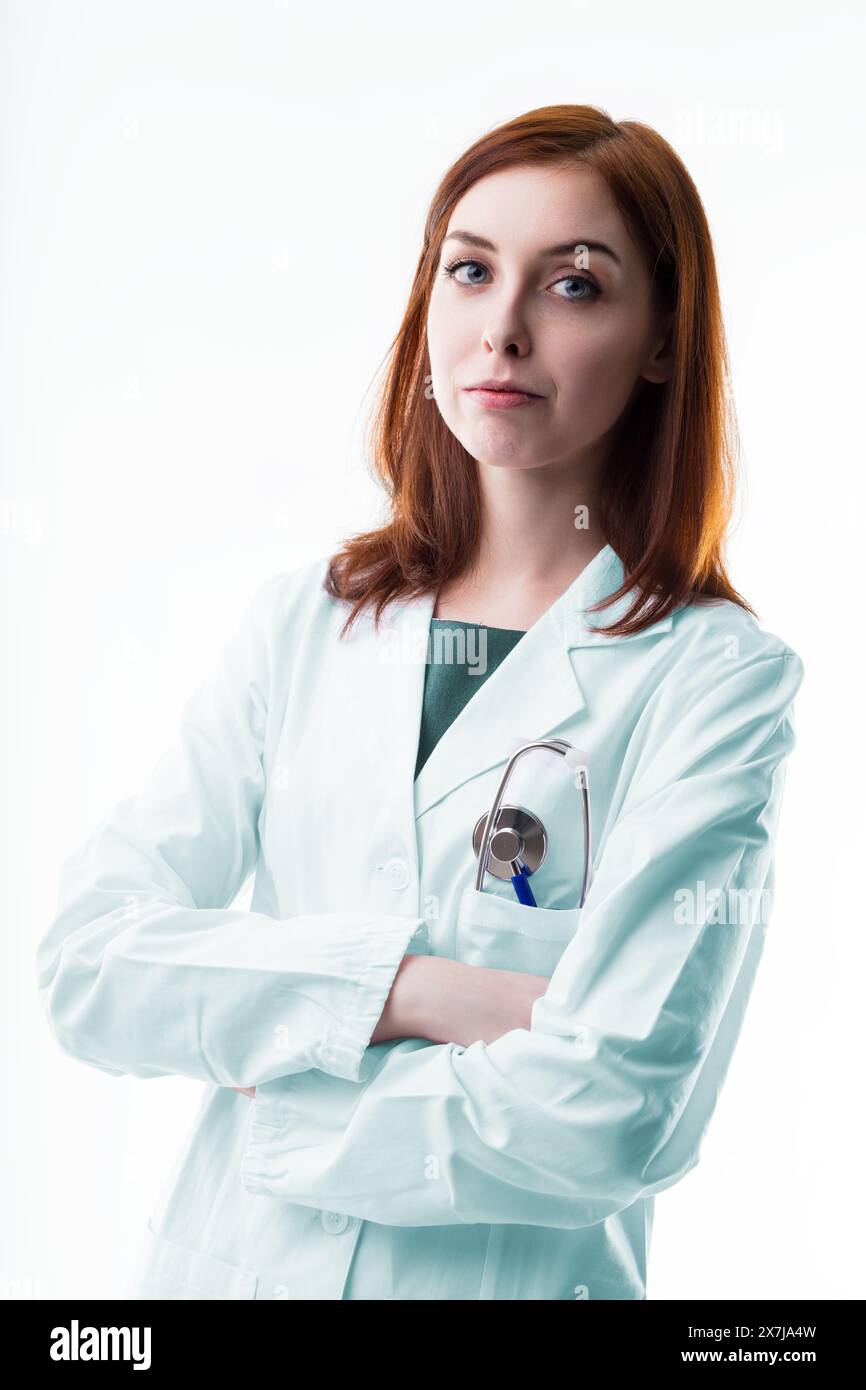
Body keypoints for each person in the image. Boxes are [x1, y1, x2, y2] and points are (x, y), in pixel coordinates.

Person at [36, 103, 805, 1301]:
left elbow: (615, 1113)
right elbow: (89, 963)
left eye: (573, 286)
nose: (500, 329)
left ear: (661, 338)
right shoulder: (307, 621)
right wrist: (408, 991)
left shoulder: (714, 681)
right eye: (470, 270)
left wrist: (276, 1095)